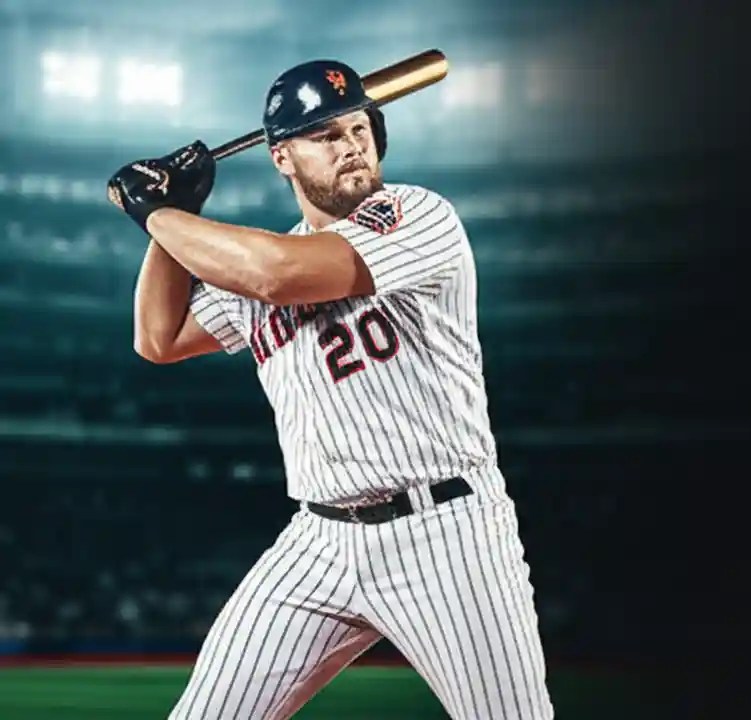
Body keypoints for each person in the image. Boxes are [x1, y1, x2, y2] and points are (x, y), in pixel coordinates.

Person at [106, 58, 554, 719]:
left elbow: (276, 276)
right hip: (318, 539)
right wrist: (175, 216)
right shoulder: (260, 255)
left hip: (446, 532)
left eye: (358, 128)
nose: (350, 147)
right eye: (325, 136)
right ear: (281, 157)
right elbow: (159, 338)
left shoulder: (415, 216)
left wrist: (157, 214)